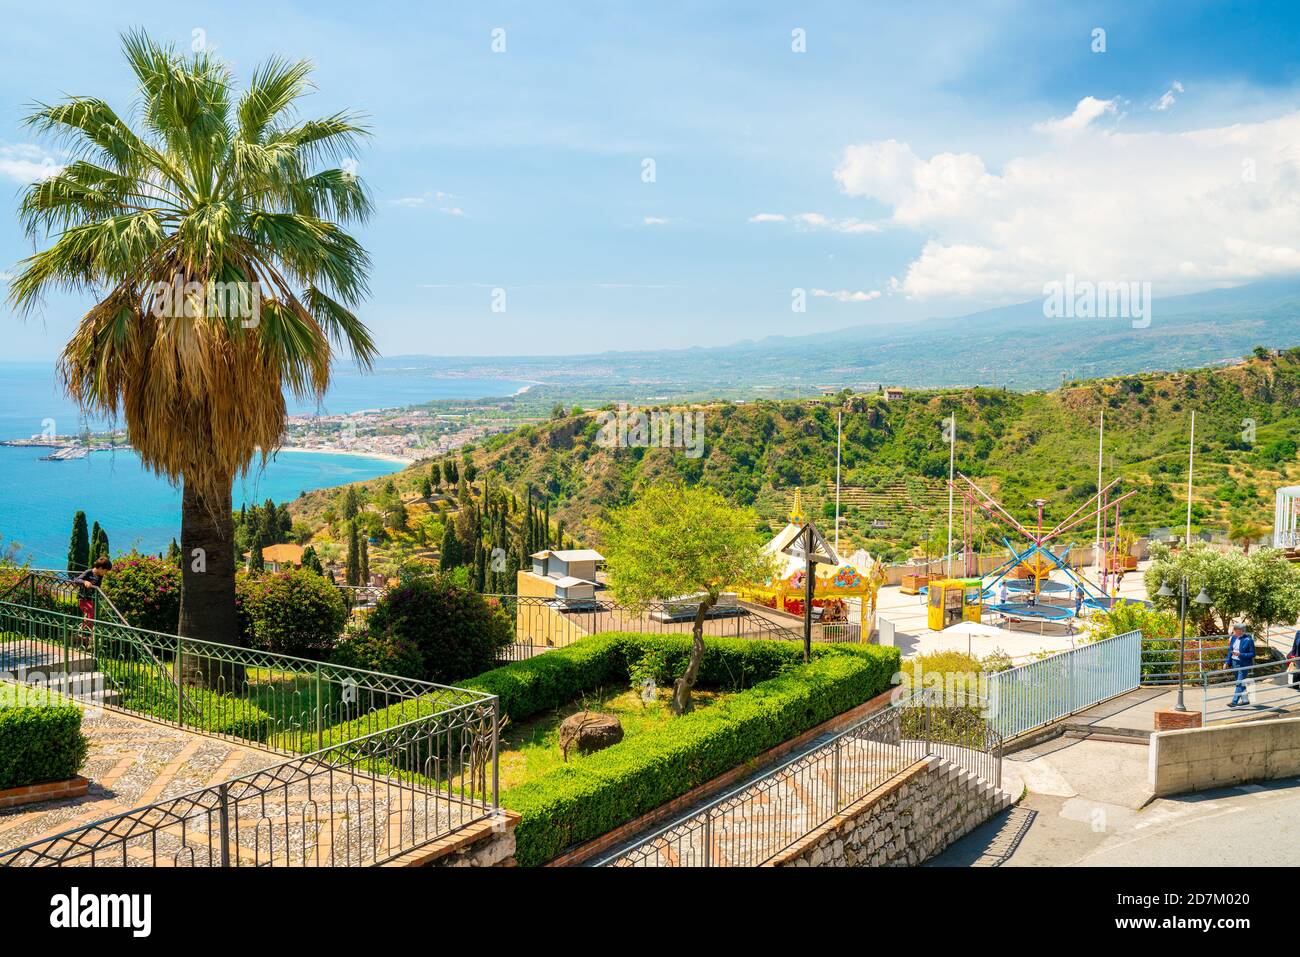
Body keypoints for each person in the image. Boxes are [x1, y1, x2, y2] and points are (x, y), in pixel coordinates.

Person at [73, 556, 112, 633]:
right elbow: (76, 580)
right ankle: (86, 631)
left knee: (91, 614)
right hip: (83, 598)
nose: (106, 573)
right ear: (100, 568)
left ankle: (86, 631)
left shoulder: (100, 576)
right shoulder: (88, 572)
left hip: (92, 599)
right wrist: (85, 582)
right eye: (106, 571)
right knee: (90, 613)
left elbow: (98, 586)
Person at [1225, 622, 1256, 707]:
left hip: (1244, 664)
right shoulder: (1233, 638)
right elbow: (1230, 651)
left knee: (1239, 683)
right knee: (1240, 683)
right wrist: (1227, 662)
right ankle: (1245, 700)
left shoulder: (1249, 640)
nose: (1233, 631)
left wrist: (1240, 654)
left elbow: (1252, 654)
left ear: (1240, 630)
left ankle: (1234, 702)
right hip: (1235, 663)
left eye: (1234, 630)